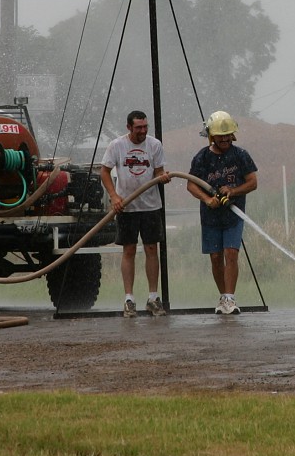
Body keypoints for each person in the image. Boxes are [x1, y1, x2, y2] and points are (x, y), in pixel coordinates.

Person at [187, 111, 258, 315]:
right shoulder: (201, 157)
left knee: (231, 253)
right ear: (211, 136)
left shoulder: (240, 155)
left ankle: (230, 298)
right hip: (210, 217)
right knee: (216, 257)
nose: (225, 139)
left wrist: (233, 191)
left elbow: (253, 182)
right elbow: (191, 185)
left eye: (228, 135)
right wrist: (208, 199)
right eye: (221, 135)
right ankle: (222, 296)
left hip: (233, 215)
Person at [100, 110, 170, 318]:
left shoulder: (154, 145)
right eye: (138, 127)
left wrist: (162, 177)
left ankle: (153, 298)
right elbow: (104, 171)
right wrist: (114, 196)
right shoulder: (117, 145)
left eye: (145, 127)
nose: (143, 131)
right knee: (129, 250)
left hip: (150, 206)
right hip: (126, 206)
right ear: (129, 127)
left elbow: (158, 171)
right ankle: (129, 299)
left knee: (151, 249)